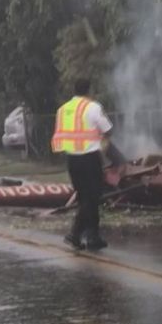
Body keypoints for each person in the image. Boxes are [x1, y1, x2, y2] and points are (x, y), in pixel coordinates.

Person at [52, 78, 113, 251]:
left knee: (86, 197)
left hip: (72, 160)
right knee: (91, 197)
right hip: (89, 158)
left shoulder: (63, 110)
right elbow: (108, 129)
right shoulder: (92, 107)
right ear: (89, 90)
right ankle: (75, 233)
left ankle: (93, 237)